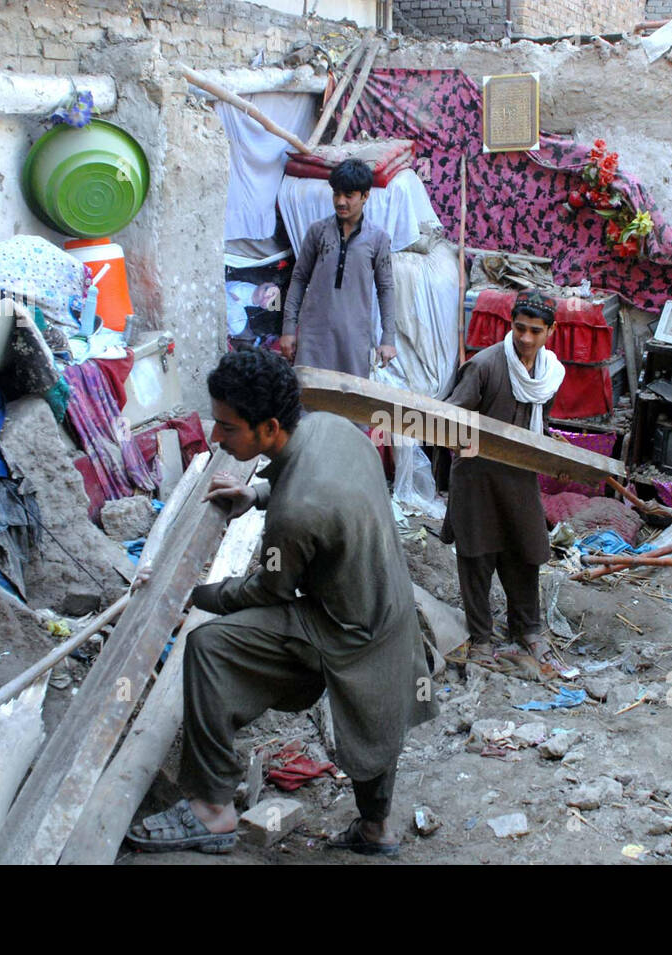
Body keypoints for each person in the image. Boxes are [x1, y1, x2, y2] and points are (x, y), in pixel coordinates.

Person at [126, 348, 435, 856]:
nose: (215, 437)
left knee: (209, 645)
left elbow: (265, 592)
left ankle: (211, 810)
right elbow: (322, 487)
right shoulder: (335, 429)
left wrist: (189, 594)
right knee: (376, 718)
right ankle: (376, 828)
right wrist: (258, 495)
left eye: (227, 427)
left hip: (341, 630)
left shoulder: (295, 516)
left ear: (269, 428)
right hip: (390, 608)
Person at [441, 290, 566, 670]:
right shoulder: (484, 366)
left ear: (550, 332)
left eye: (535, 331)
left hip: (520, 479)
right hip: (477, 479)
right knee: (477, 557)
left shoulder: (549, 374)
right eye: (519, 328)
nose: (525, 338)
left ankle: (527, 630)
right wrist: (465, 442)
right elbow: (446, 420)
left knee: (525, 553)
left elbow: (541, 422)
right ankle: (480, 636)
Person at [279, 158, 397, 377]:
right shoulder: (318, 232)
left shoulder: (378, 239)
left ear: (365, 196)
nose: (341, 202)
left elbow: (386, 289)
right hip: (313, 337)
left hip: (354, 339)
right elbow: (298, 279)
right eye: (336, 194)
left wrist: (388, 339)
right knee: (308, 400)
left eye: (349, 195)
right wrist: (288, 330)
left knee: (349, 401)